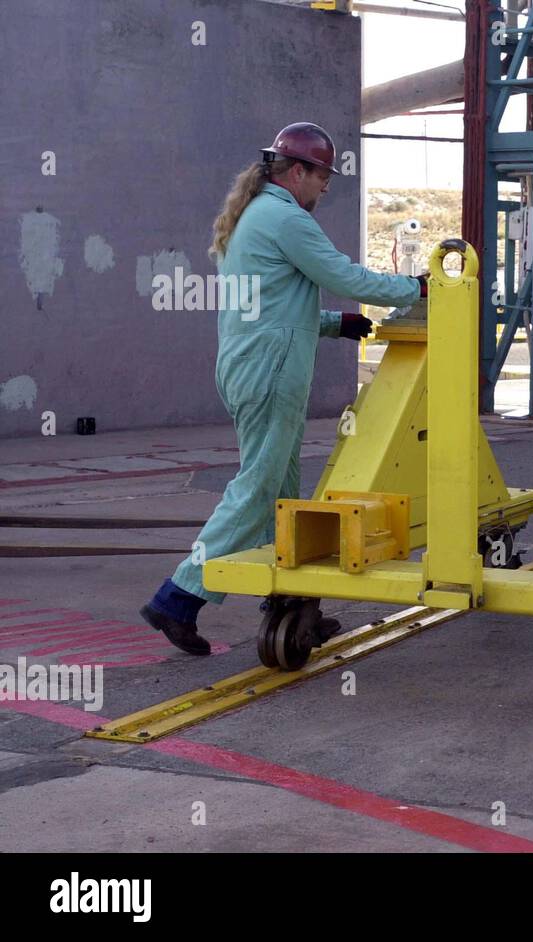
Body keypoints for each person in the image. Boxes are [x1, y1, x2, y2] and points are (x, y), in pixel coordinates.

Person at [141, 122, 428, 655]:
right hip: (271, 372)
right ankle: (178, 596)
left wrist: (330, 325)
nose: (325, 188)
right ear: (298, 171)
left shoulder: (251, 217)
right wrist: (418, 287)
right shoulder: (286, 218)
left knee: (282, 498)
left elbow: (265, 306)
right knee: (255, 491)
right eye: (323, 177)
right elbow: (347, 276)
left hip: (249, 364)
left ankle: (294, 601)